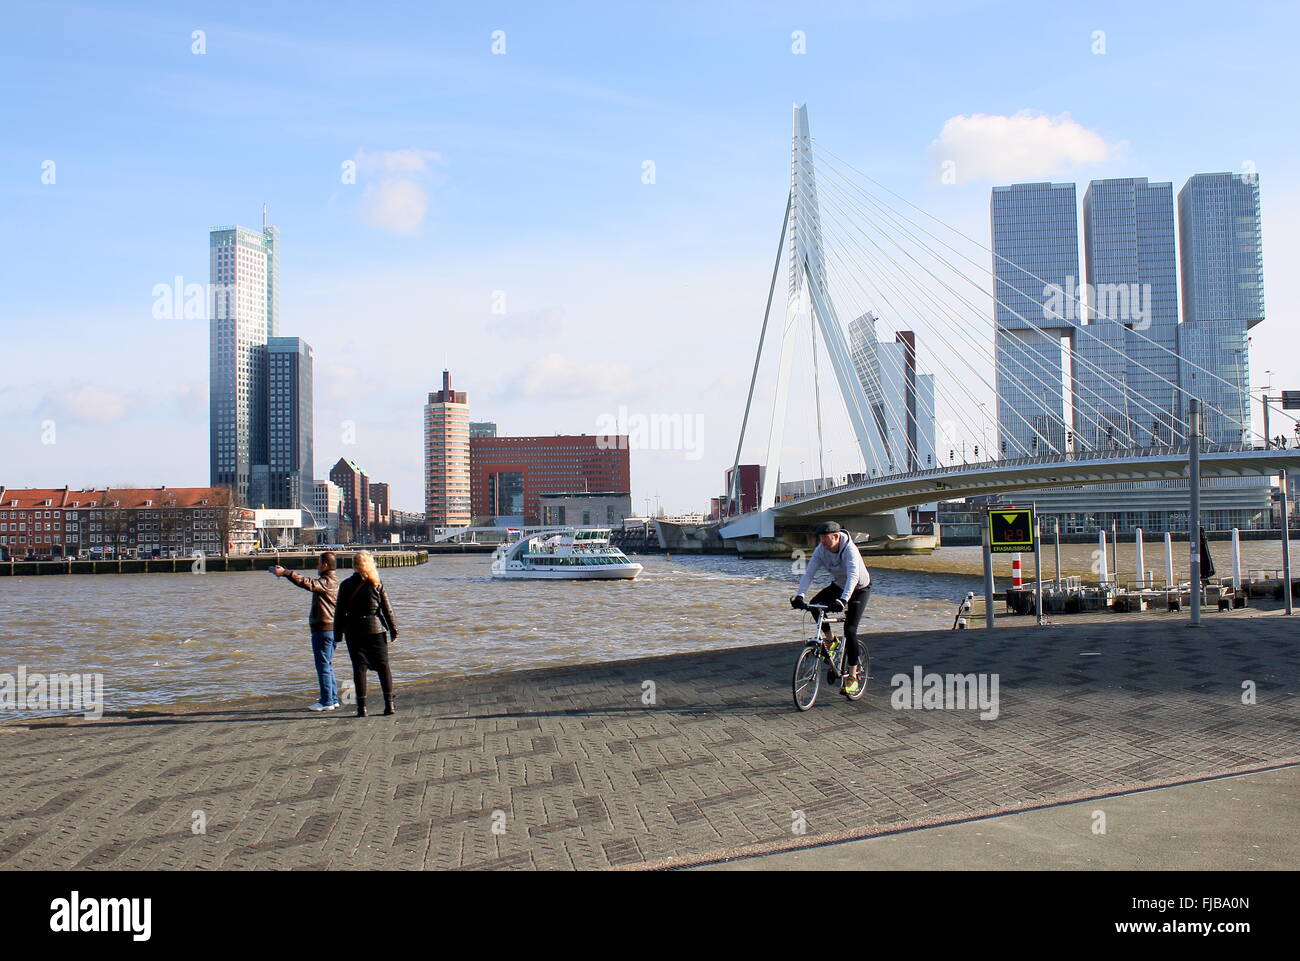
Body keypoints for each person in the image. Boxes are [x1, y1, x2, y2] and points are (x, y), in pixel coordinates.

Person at [789, 521, 871, 695]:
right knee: (814, 605)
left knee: (850, 630)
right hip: (839, 585)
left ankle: (852, 676)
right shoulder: (821, 550)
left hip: (859, 588)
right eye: (820, 538)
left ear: (836, 536)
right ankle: (831, 640)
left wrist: (843, 600)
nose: (823, 542)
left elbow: (853, 576)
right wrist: (800, 596)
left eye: (826, 538)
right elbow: (809, 573)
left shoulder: (849, 550)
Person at [274, 552, 341, 712]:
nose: (317, 566)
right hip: (332, 628)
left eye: (319, 563)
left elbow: (307, 583)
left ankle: (326, 701)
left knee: (323, 665)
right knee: (328, 664)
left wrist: (285, 573)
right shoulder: (335, 581)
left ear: (325, 565)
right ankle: (332, 698)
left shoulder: (326, 581)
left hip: (323, 629)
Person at [336, 550, 399, 717]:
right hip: (376, 629)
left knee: (359, 668)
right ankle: (389, 705)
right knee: (383, 667)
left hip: (353, 630)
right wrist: (393, 630)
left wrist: (338, 633)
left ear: (354, 565)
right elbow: (387, 610)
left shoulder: (345, 585)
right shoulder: (376, 584)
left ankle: (362, 708)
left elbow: (339, 612)